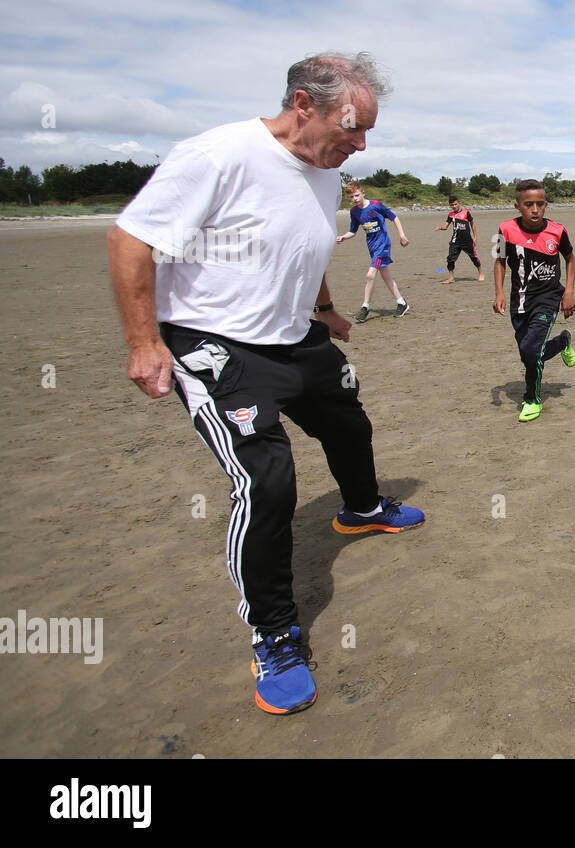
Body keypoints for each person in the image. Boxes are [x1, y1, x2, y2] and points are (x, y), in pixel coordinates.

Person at [106, 52, 424, 716]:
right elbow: (130, 239)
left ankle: (361, 509)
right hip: (218, 345)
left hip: (296, 334)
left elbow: (301, 244)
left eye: (367, 131)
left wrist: (328, 306)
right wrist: (143, 342)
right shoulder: (217, 154)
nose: (360, 144)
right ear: (303, 105)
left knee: (347, 419)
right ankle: (274, 634)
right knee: (268, 480)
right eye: (351, 126)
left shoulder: (324, 170)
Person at [493, 179, 575, 422]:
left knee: (531, 353)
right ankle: (563, 341)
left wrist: (568, 292)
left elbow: (571, 259)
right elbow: (499, 262)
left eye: (540, 204)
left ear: (546, 205)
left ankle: (532, 399)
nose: (535, 209)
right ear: (517, 206)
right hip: (518, 301)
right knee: (528, 353)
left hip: (548, 299)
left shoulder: (558, 230)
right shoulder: (504, 230)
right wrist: (498, 292)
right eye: (528, 204)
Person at [336, 181, 410, 321]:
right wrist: (343, 237)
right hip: (372, 246)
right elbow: (353, 231)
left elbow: (394, 217)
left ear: (363, 193)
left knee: (370, 275)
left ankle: (365, 307)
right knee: (386, 276)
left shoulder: (376, 205)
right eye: (351, 197)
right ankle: (402, 303)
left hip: (383, 245)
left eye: (357, 195)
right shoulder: (354, 212)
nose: (355, 199)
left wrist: (402, 235)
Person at [435, 196, 484, 284]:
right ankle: (451, 278)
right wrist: (440, 228)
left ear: (459, 203)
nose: (454, 206)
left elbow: (472, 224)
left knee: (474, 257)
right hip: (455, 241)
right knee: (450, 259)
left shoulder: (466, 212)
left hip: (467, 241)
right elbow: (446, 226)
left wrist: (475, 237)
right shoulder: (451, 215)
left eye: (455, 204)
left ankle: (481, 273)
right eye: (452, 205)